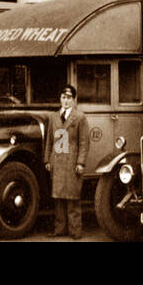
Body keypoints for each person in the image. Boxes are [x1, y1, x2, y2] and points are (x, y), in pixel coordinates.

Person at [45, 84, 90, 239]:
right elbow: (49, 141)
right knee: (58, 198)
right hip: (57, 162)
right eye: (63, 97)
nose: (66, 101)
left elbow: (84, 143)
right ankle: (60, 229)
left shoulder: (80, 117)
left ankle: (75, 231)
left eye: (69, 98)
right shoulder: (54, 117)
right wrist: (47, 160)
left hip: (72, 163)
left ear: (74, 99)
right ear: (60, 99)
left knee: (73, 198)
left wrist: (80, 163)